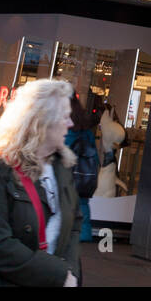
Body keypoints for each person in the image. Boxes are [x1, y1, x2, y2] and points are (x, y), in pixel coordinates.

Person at [0, 79, 81, 287]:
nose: (71, 124)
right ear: (42, 120)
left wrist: (70, 271)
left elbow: (74, 224)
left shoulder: (62, 168)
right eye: (65, 116)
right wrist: (59, 274)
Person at [65, 94, 97, 243]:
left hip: (66, 174)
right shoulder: (86, 131)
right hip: (83, 175)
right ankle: (83, 235)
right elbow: (94, 156)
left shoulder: (65, 129)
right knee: (82, 205)